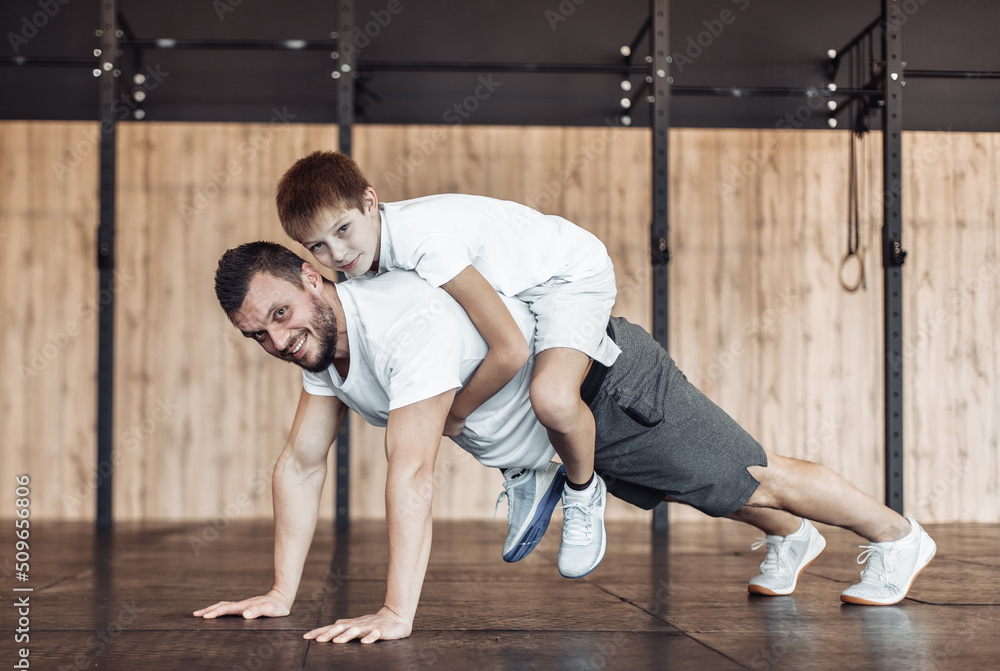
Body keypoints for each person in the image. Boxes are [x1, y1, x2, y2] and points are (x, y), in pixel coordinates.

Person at [194, 242, 936, 645]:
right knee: (710, 490)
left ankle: (898, 536)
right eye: (259, 335)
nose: (280, 340)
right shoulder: (325, 351)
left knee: (755, 476)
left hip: (604, 387)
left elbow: (412, 471)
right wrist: (280, 593)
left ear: (312, 276)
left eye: (284, 315)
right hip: (563, 432)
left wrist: (397, 613)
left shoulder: (397, 327)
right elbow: (299, 463)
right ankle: (796, 540)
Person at [273, 150, 620, 578]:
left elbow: (509, 349)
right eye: (318, 247)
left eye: (343, 229)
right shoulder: (365, 263)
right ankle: (526, 472)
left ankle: (583, 490)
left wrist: (454, 415)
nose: (339, 254)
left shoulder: (425, 241)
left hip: (568, 277)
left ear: (369, 201)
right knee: (429, 370)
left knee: (551, 397)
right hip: (517, 288)